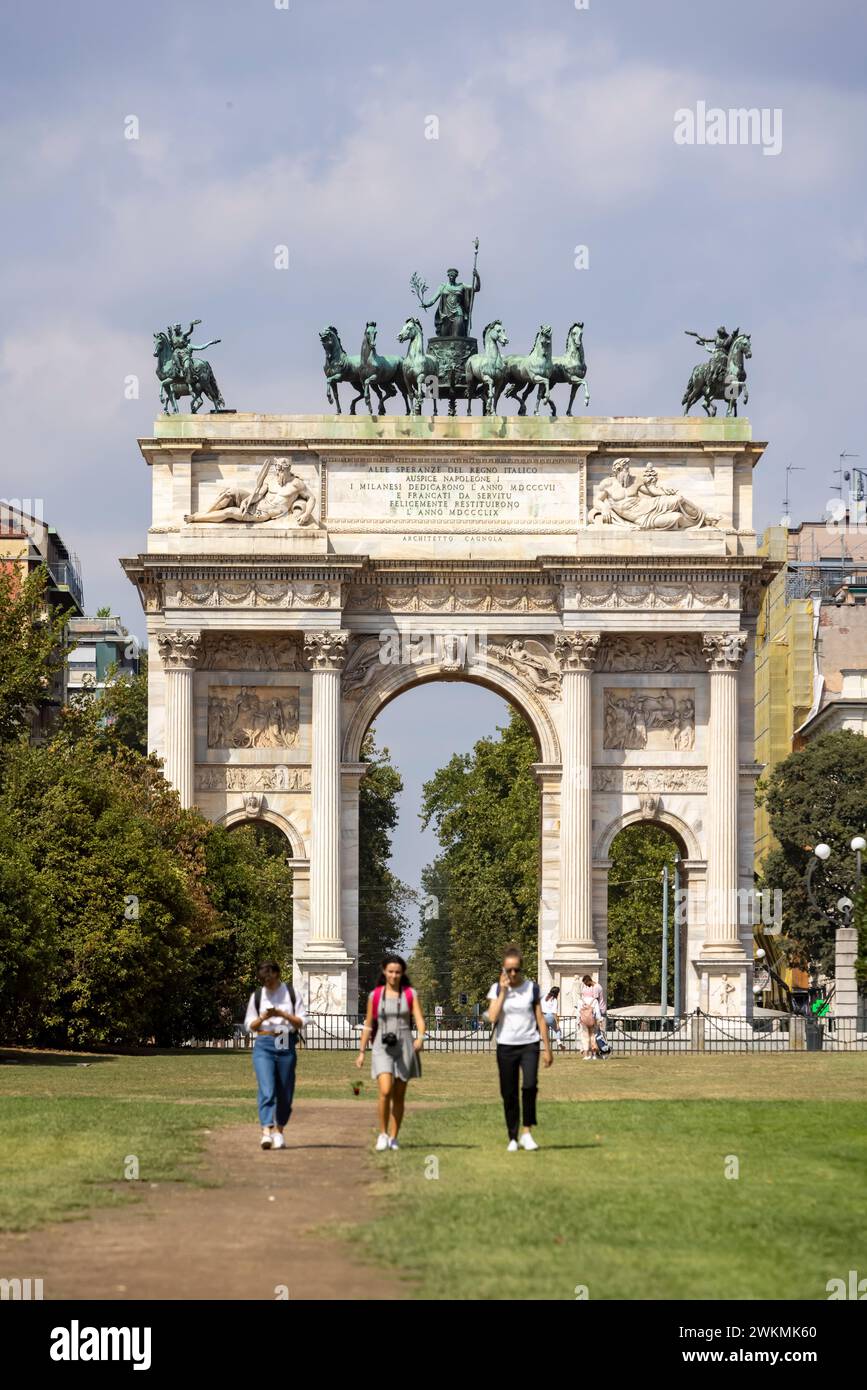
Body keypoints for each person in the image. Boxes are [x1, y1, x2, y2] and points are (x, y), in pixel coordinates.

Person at [356, 955, 426, 1151]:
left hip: (404, 1045)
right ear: (384, 972)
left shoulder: (410, 994)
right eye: (390, 971)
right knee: (385, 1090)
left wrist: (420, 1037)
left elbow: (419, 1020)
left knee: (399, 1095)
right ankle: (382, 1133)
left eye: (397, 972)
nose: (394, 975)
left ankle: (394, 1137)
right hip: (382, 1045)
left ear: (402, 973)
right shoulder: (375, 995)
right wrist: (362, 1051)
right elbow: (369, 1025)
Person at [486, 946, 553, 1151]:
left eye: (516, 970)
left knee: (530, 1086)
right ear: (504, 970)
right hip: (506, 1045)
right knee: (509, 1092)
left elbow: (540, 1018)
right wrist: (504, 991)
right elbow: (492, 1016)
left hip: (529, 1044)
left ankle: (527, 1132)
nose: (513, 974)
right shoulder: (497, 989)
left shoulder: (532, 988)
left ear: (521, 969)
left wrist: (547, 1048)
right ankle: (512, 1137)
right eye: (509, 970)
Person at [244, 961, 306, 1149]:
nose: (267, 984)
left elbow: (301, 1022)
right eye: (264, 981)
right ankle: (266, 1131)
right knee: (267, 1088)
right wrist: (263, 1017)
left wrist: (282, 1014)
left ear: (277, 975)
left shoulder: (291, 994)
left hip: (286, 1040)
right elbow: (249, 1026)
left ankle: (279, 1130)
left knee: (285, 1091)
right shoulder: (257, 996)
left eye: (270, 980)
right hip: (264, 1042)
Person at [578, 974, 606, 1060]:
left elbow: (595, 1001)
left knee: (593, 1035)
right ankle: (596, 1054)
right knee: (595, 1035)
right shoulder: (596, 987)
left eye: (586, 984)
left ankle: (597, 1053)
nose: (586, 986)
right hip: (595, 1015)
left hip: (594, 1014)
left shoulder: (596, 988)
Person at [541, 985, 565, 1051]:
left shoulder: (544, 996)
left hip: (542, 1016)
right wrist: (557, 1023)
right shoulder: (554, 1000)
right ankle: (559, 1041)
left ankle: (546, 1046)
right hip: (550, 1016)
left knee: (546, 1032)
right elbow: (554, 1013)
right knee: (558, 1030)